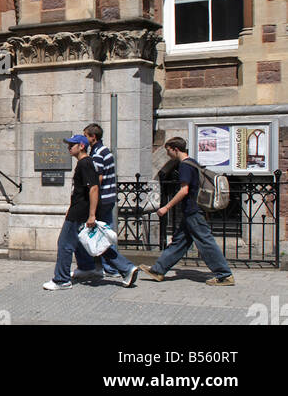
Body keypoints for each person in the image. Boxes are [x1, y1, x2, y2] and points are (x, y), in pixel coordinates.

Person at [43, 135, 139, 290]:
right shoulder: (85, 163)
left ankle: (61, 280)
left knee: (65, 244)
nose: (69, 148)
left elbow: (94, 188)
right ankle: (122, 268)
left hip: (80, 212)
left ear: (81, 146)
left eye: (72, 145)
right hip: (79, 209)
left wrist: (92, 215)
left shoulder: (85, 163)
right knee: (91, 243)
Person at [141, 138, 234, 285]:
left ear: (175, 149)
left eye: (168, 150)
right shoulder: (193, 162)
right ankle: (158, 270)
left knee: (205, 242)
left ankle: (224, 275)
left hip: (193, 210)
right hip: (192, 210)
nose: (168, 154)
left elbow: (184, 190)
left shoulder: (184, 165)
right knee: (179, 242)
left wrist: (166, 207)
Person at [79, 122, 120, 280]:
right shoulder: (104, 150)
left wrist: (89, 197)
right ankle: (111, 266)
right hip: (109, 197)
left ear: (93, 137)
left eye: (85, 135)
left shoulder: (97, 154)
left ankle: (110, 267)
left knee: (102, 234)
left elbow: (98, 179)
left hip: (102, 198)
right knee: (107, 231)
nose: (83, 138)